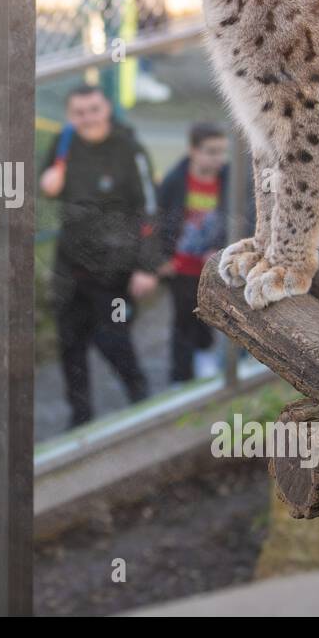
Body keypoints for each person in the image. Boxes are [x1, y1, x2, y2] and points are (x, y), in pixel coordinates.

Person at [40, 85, 160, 428]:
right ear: (69, 116)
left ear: (106, 108)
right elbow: (50, 185)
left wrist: (147, 266)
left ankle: (141, 398)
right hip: (70, 263)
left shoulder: (129, 148)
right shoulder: (65, 143)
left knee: (112, 338)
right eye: (79, 112)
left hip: (113, 267)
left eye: (93, 109)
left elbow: (149, 209)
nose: (87, 118)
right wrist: (46, 183)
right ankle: (80, 416)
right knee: (70, 344)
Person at [156, 122, 248, 383]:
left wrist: (222, 247)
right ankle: (180, 376)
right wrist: (162, 258)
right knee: (184, 319)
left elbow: (241, 215)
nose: (218, 158)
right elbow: (160, 220)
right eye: (211, 151)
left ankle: (209, 360)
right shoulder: (175, 180)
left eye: (222, 152)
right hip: (182, 266)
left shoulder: (231, 179)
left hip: (217, 265)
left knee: (216, 316)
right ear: (193, 151)